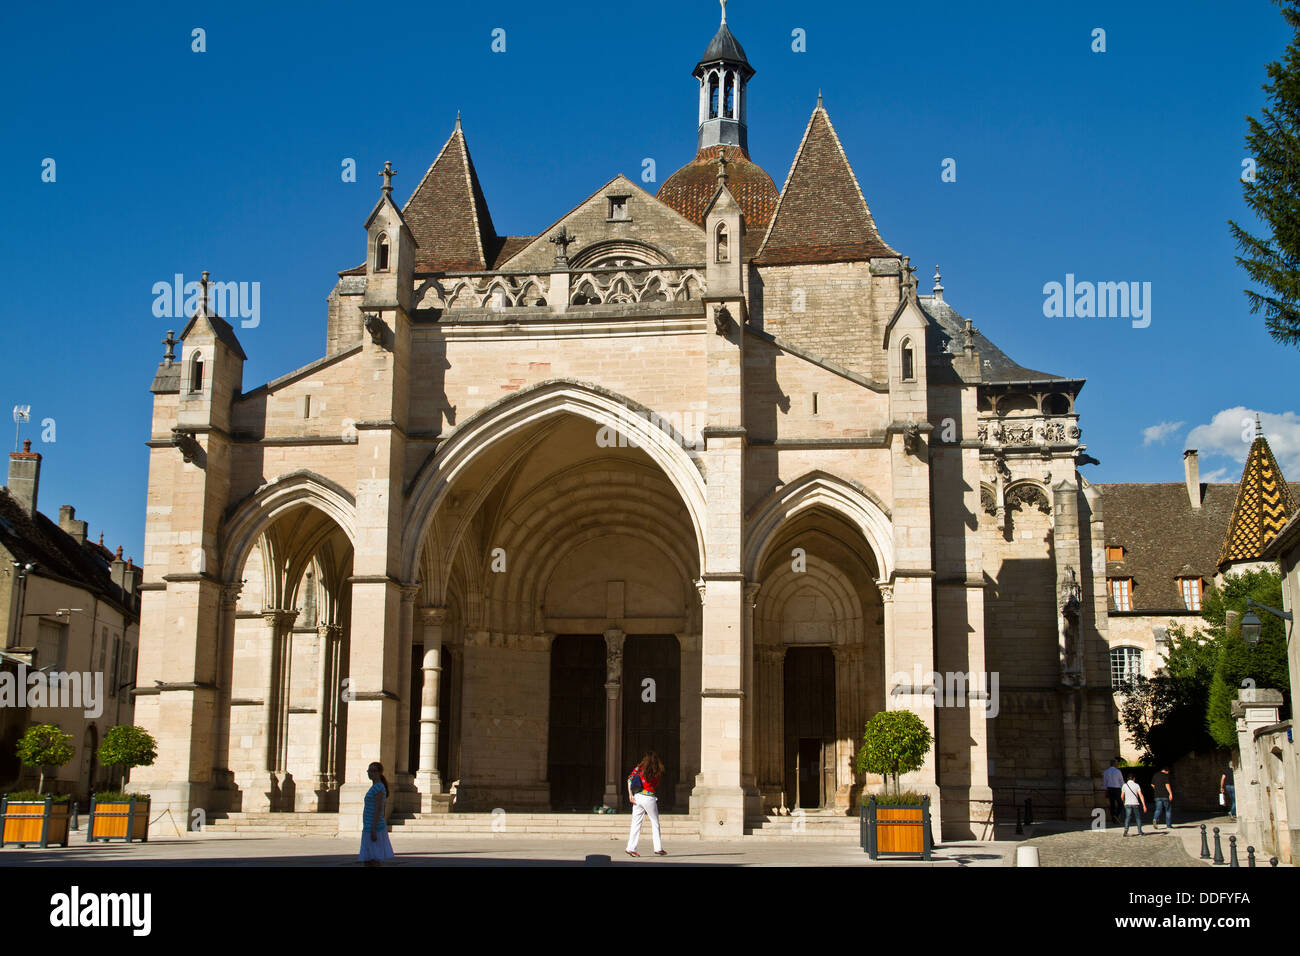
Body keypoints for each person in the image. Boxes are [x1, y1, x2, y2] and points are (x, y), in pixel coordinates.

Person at [625, 751, 667, 858]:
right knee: (655, 822)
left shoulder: (639, 768)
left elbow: (629, 779)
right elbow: (655, 785)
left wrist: (630, 794)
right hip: (649, 797)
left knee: (635, 823)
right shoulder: (656, 771)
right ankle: (658, 848)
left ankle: (631, 847)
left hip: (637, 797)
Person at [360, 761, 395, 866]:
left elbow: (379, 808)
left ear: (380, 772)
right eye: (369, 771)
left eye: (373, 771)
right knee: (368, 859)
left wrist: (373, 829)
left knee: (373, 858)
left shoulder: (379, 787)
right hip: (368, 826)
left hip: (374, 827)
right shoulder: (375, 787)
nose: (370, 773)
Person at [1121, 771, 1146, 837]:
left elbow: (1122, 796)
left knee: (1127, 817)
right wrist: (1144, 805)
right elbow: (1141, 795)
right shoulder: (1137, 785)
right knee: (1138, 818)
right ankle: (1140, 832)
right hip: (1135, 803)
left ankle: (1126, 831)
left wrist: (1124, 802)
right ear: (1134, 778)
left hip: (1127, 804)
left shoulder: (1124, 785)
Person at [1103, 759, 1124, 823]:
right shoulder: (1118, 771)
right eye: (1117, 763)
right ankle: (1116, 815)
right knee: (1120, 804)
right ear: (1114, 764)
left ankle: (1113, 817)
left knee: (1112, 804)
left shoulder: (1106, 771)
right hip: (1117, 789)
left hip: (1110, 789)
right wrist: (1124, 788)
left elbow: (1105, 782)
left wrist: (1106, 790)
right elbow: (1121, 781)